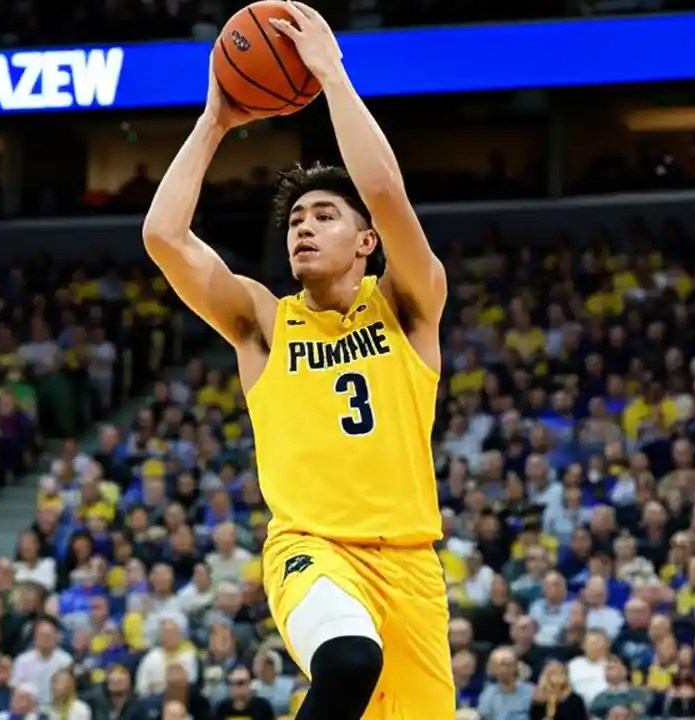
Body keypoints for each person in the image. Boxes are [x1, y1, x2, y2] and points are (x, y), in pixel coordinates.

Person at [142, 4, 451, 718]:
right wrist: (215, 120)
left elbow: (384, 192)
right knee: (347, 660)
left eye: (324, 216)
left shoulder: (409, 304)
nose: (303, 227)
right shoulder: (263, 322)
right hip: (312, 550)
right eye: (296, 220)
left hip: (411, 567)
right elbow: (163, 236)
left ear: (367, 242)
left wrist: (331, 74)